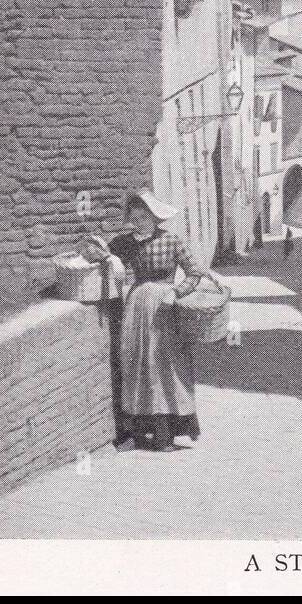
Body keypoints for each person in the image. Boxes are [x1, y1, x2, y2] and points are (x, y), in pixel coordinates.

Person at [90, 190, 204, 453]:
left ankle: (167, 435)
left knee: (165, 365)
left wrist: (176, 292)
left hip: (165, 307)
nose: (139, 222)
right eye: (135, 217)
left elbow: (196, 272)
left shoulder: (171, 241)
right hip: (136, 307)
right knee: (137, 364)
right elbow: (102, 254)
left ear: (155, 218)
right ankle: (137, 434)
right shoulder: (124, 243)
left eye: (145, 217)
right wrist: (96, 252)